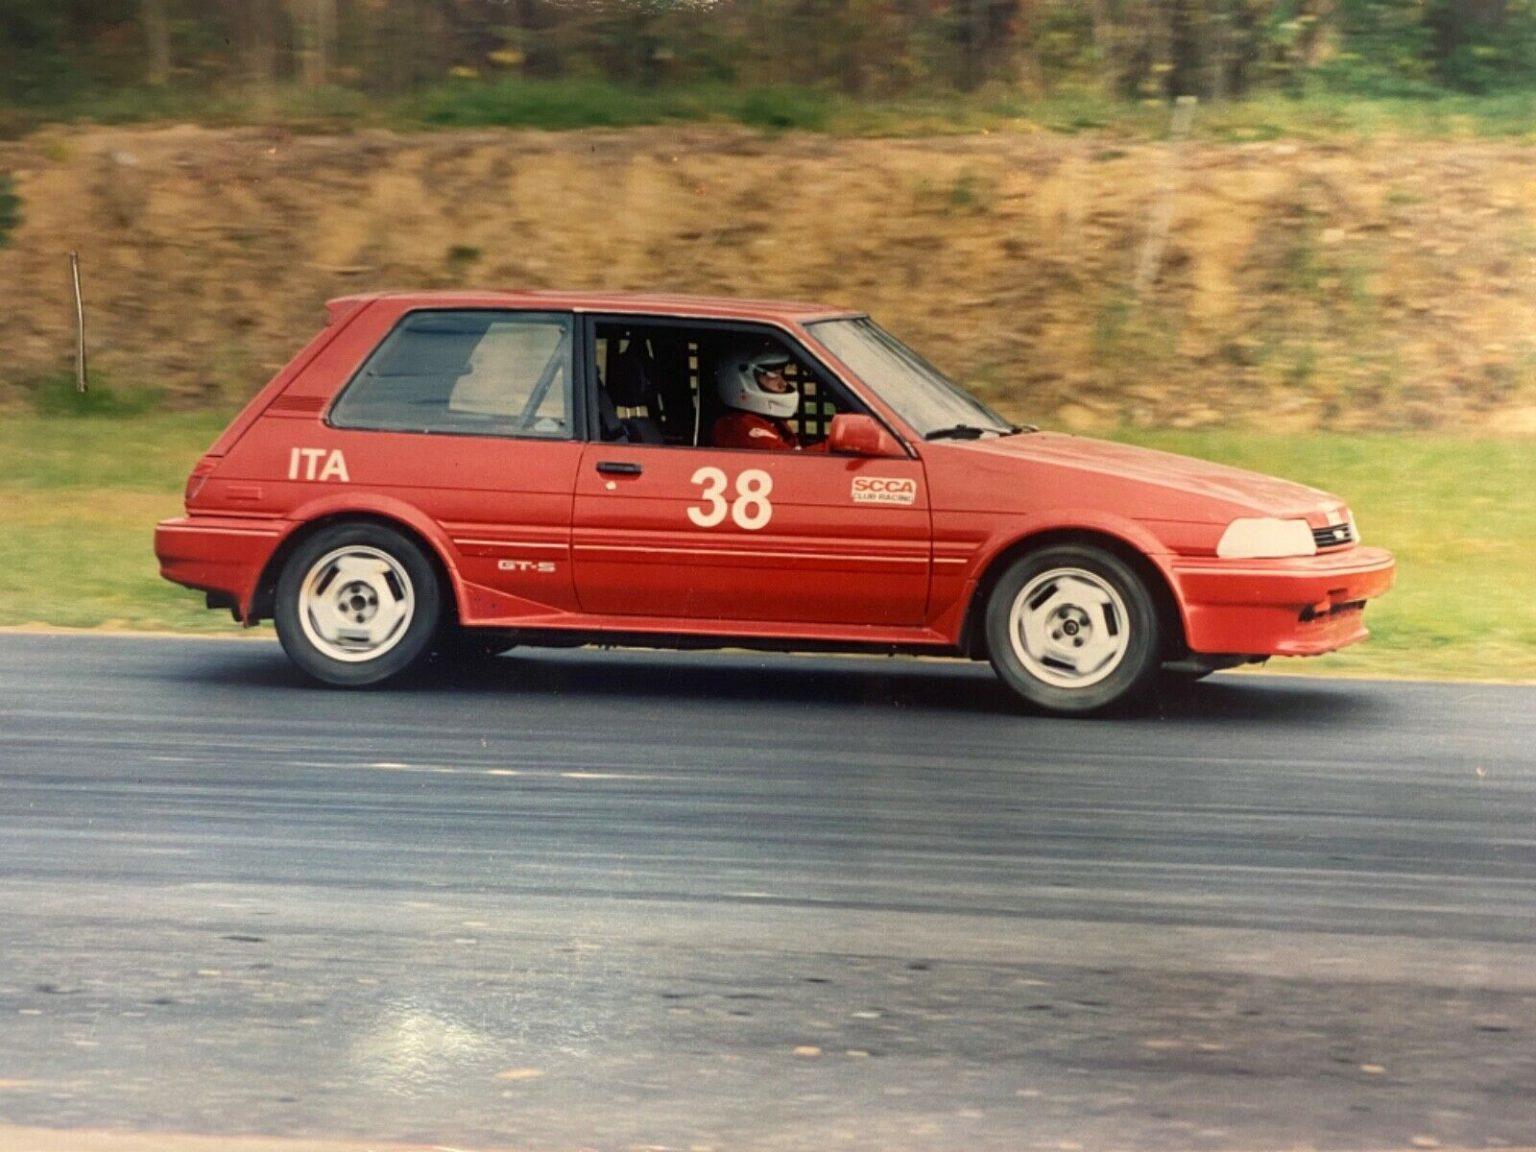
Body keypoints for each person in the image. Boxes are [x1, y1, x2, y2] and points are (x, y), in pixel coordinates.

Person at [711, 347, 825, 452]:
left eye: (780, 374)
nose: (783, 384)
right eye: (772, 375)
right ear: (741, 380)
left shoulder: (767, 420)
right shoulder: (740, 426)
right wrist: (830, 447)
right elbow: (791, 463)